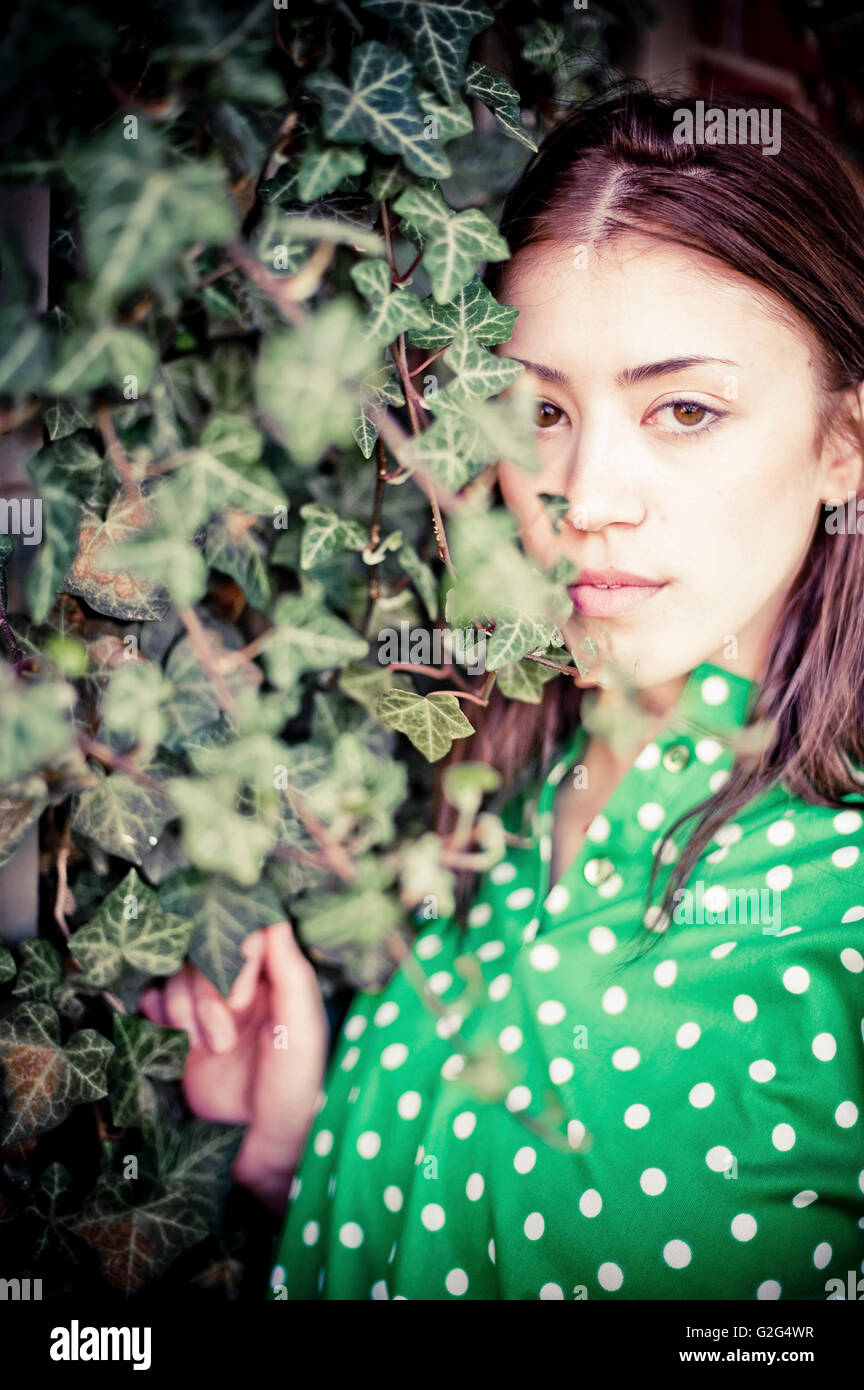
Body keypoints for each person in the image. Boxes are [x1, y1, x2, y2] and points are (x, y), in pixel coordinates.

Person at [139, 87, 864, 1301]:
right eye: (540, 410)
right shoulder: (478, 813)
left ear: (845, 441)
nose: (585, 496)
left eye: (683, 409)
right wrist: (298, 1158)